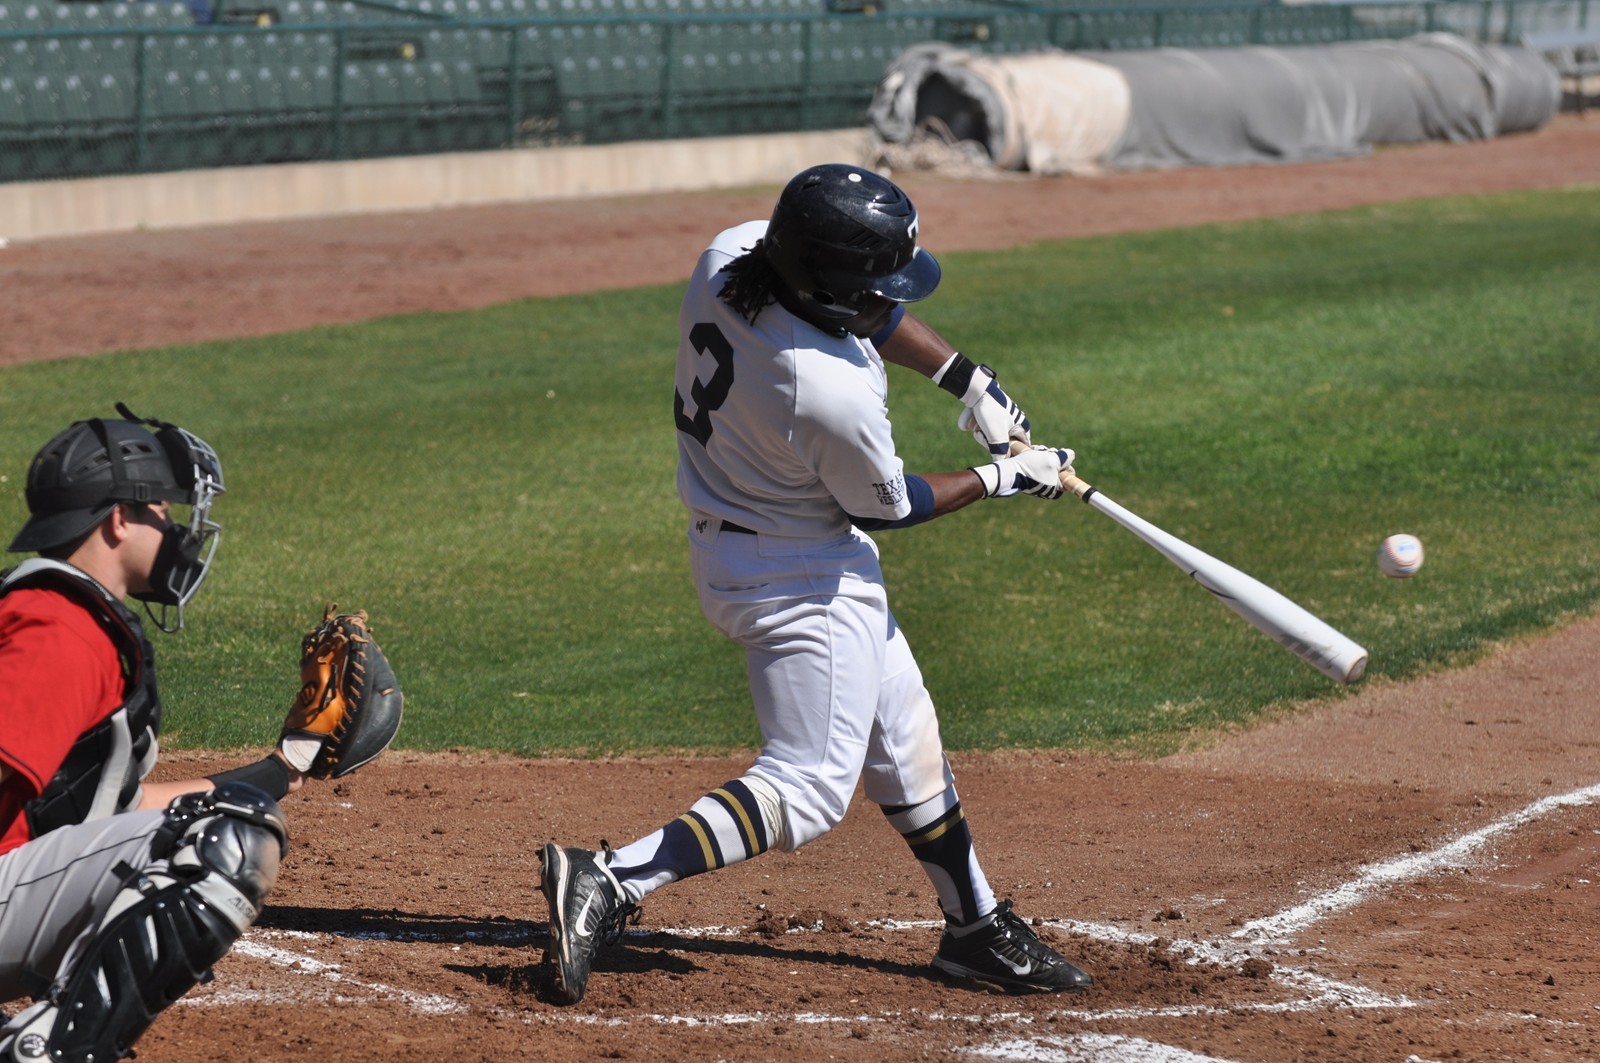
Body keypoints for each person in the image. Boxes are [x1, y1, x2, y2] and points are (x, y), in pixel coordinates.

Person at [540, 163, 1092, 1004]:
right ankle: (613, 878)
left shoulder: (733, 256)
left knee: (904, 734)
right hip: (797, 578)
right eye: (872, 289)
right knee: (807, 783)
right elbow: (892, 505)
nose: (885, 302)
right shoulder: (822, 389)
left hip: (753, 536)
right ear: (832, 293)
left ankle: (974, 925)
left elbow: (868, 309)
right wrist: (1008, 476)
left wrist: (965, 378)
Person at [0, 406, 318, 1062]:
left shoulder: (63, 614)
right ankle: (52, 1049)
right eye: (165, 514)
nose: (177, 531)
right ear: (120, 517)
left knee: (222, 822)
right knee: (219, 843)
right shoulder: (59, 628)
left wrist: (283, 767)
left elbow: (115, 811)